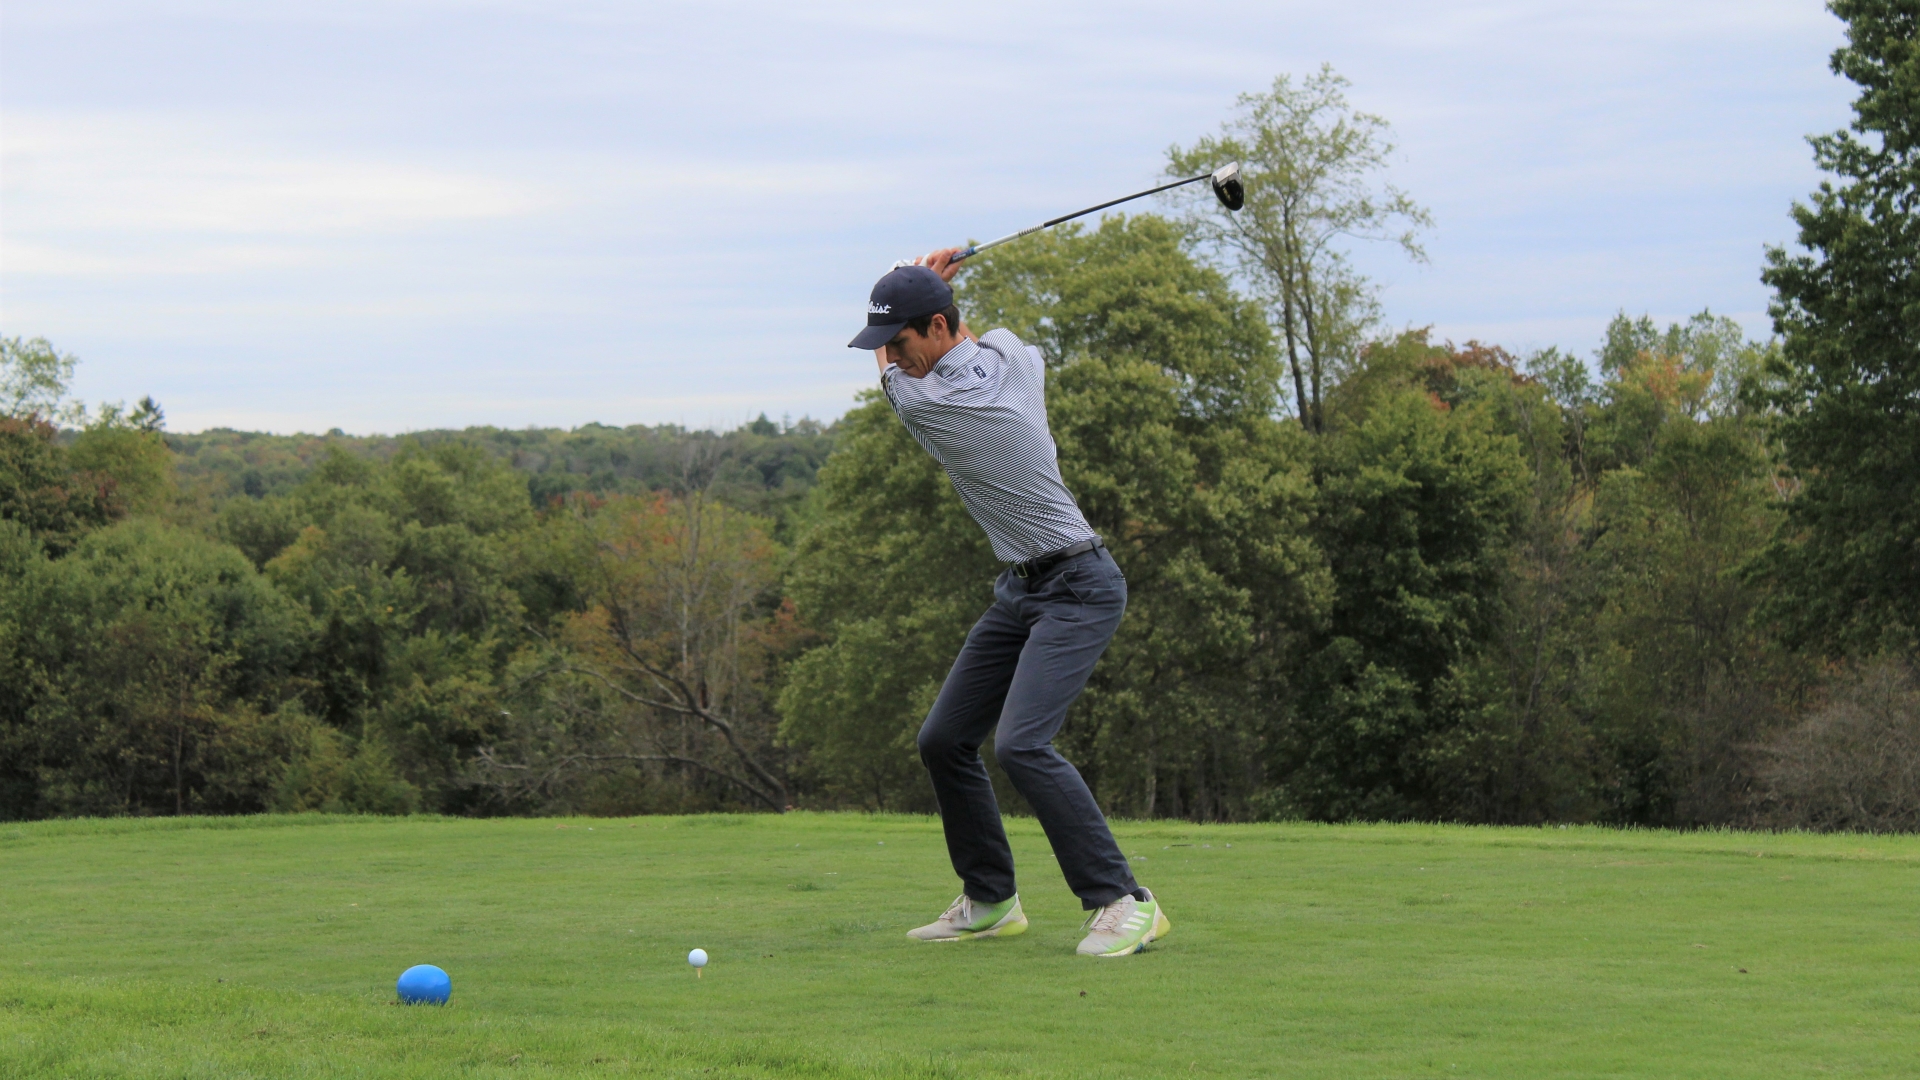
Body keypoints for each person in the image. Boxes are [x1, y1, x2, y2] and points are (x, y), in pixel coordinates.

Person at [846, 250, 1170, 958]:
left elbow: (897, 381)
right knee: (943, 739)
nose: (893, 357)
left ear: (936, 328)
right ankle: (991, 899)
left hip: (1080, 587)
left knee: (1022, 743)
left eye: (899, 341)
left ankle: (1125, 901)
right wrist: (929, 296)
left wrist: (927, 291)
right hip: (1023, 588)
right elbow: (977, 340)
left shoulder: (938, 407)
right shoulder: (1014, 357)